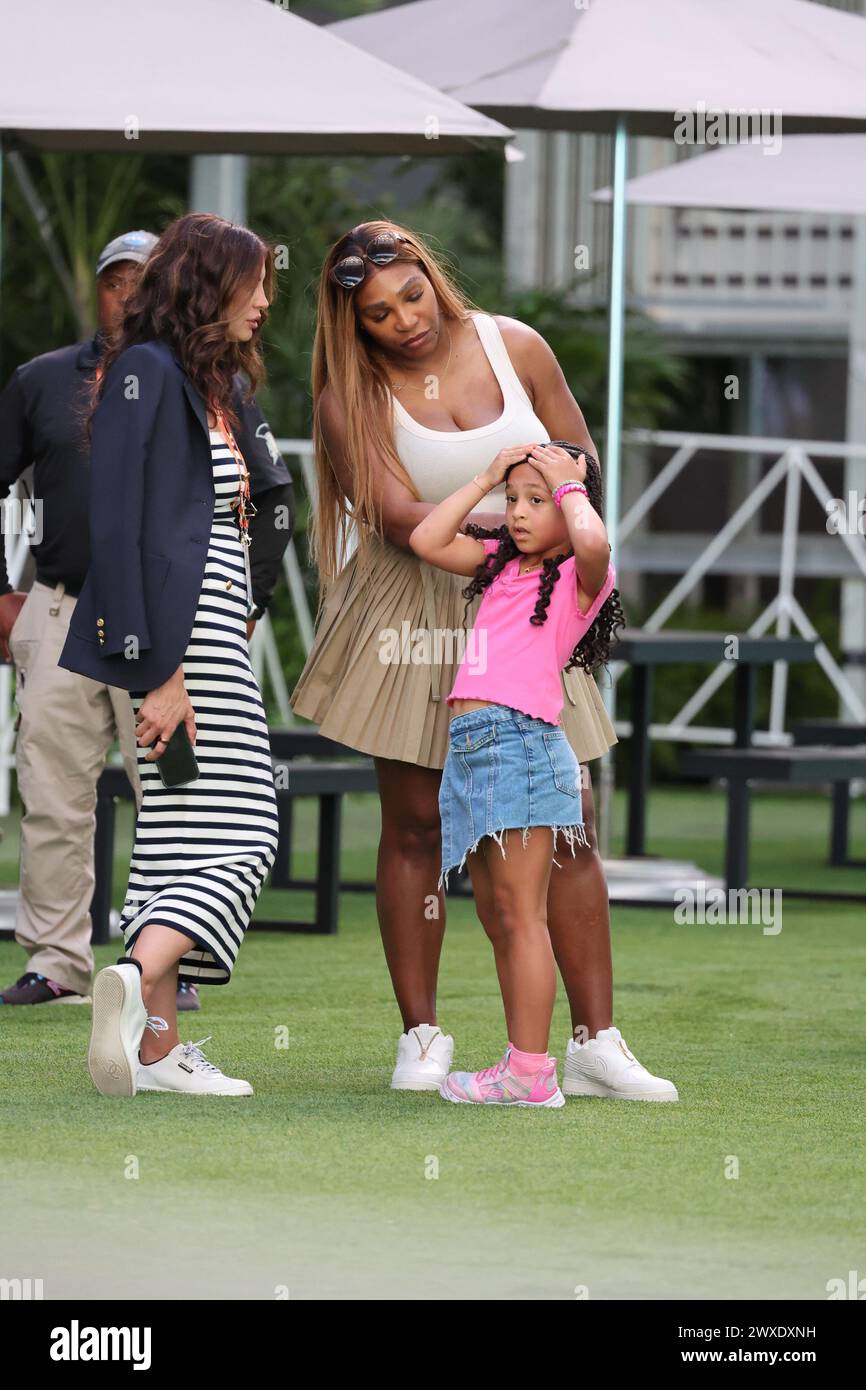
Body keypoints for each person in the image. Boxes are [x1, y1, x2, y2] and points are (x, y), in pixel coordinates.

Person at [290, 220, 677, 1100]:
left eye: (412, 295)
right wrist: (522, 526)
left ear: (431, 273)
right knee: (416, 822)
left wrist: (555, 512)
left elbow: (581, 454)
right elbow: (395, 517)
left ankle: (593, 1042)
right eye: (379, 314)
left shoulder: (516, 346)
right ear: (354, 324)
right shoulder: (348, 396)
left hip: (527, 607)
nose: (404, 321)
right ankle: (421, 1034)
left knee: (566, 816)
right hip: (419, 603)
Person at [0, 230, 293, 1016]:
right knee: (245, 830)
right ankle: (130, 977)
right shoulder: (143, 373)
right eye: (253, 283)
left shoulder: (203, 381)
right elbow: (120, 526)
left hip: (201, 636)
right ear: (206, 286)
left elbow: (263, 506)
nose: (265, 300)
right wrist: (160, 672)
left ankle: (156, 1035)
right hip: (163, 639)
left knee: (175, 830)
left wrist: (247, 609)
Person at [412, 441, 635, 1105]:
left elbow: (594, 543)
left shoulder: (581, 577)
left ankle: (530, 1073)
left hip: (518, 743)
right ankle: (523, 1066)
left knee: (521, 914)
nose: (517, 512)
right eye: (512, 499)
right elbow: (428, 538)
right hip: (474, 746)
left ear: (572, 506)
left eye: (535, 501)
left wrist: (569, 488)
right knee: (499, 914)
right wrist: (485, 475)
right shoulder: (501, 566)